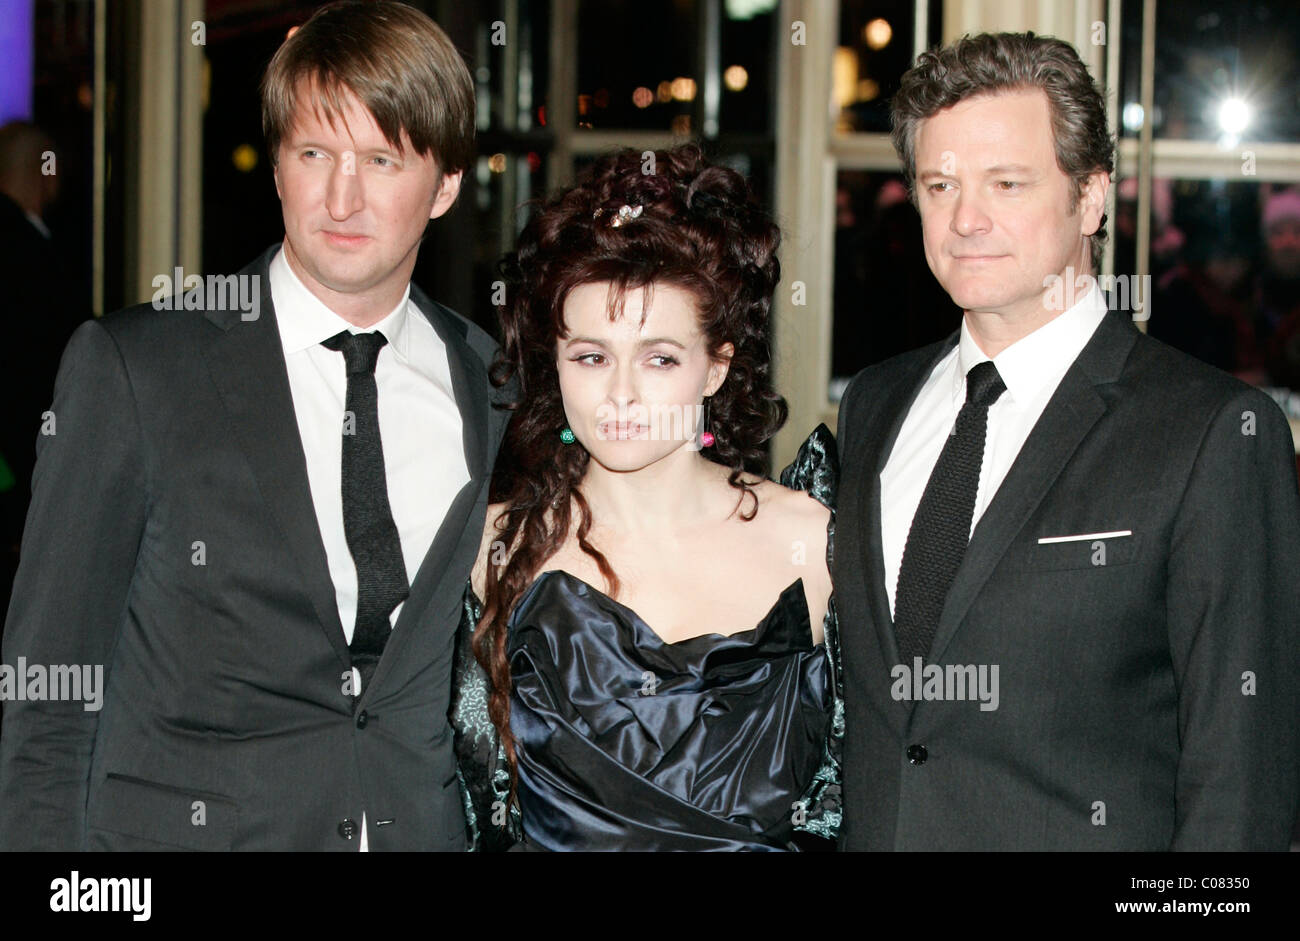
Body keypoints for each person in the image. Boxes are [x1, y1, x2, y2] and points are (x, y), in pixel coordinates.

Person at [0, 0, 509, 851]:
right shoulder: (137, 371)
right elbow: (48, 700)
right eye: (314, 153)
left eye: (381, 159)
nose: (341, 196)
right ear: (277, 167)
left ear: (447, 183)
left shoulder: (492, 386)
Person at [835, 32, 1300, 850]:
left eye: (1006, 183)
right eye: (939, 185)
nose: (966, 219)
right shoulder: (874, 402)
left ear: (1090, 198)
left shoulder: (1213, 430)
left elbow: (1242, 788)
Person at [450, 145, 842, 850]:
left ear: (717, 365)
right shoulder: (492, 547)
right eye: (591, 356)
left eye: (659, 357)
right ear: (556, 365)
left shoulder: (813, 546)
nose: (622, 394)